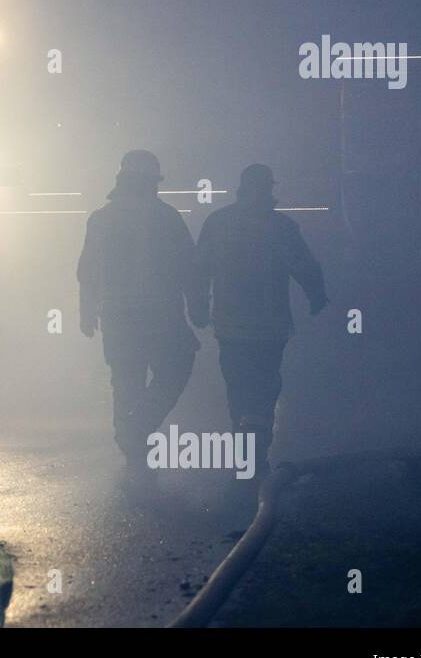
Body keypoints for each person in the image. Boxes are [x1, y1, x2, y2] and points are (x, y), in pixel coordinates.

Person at [193, 164, 328, 482]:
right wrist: (317, 297)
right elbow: (305, 266)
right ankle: (255, 453)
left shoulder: (219, 222)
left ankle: (244, 455)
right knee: (264, 387)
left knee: (237, 387)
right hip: (270, 328)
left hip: (230, 326)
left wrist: (197, 308)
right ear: (268, 189)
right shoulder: (281, 227)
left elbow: (199, 270)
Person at [77, 150, 206, 483]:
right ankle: (139, 428)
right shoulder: (166, 217)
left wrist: (86, 310)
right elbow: (189, 267)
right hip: (161, 313)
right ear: (151, 182)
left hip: (117, 316)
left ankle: (130, 441)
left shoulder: (101, 218)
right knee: (176, 368)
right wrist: (198, 308)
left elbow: (87, 270)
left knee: (126, 379)